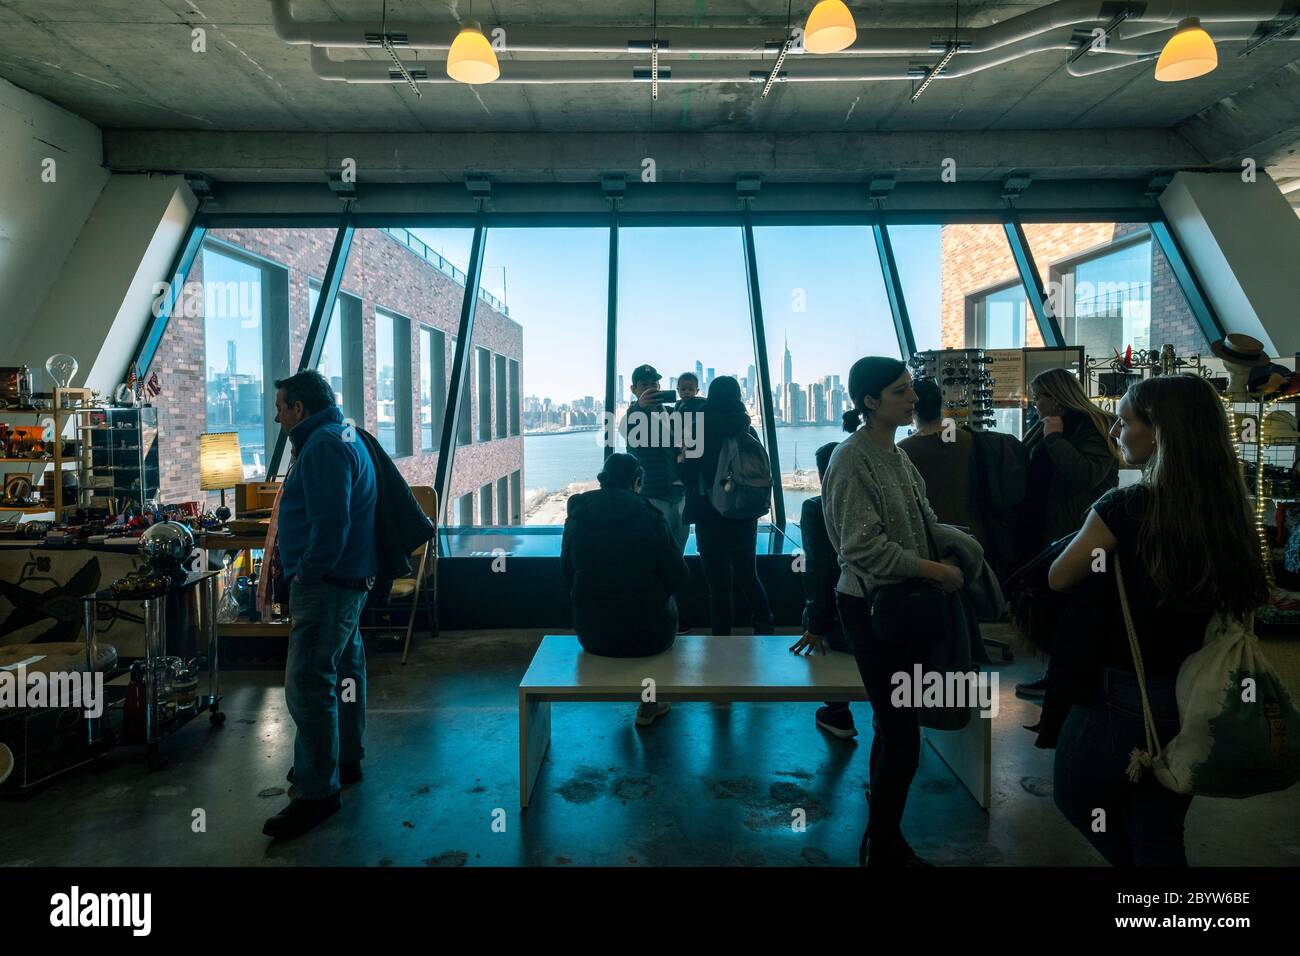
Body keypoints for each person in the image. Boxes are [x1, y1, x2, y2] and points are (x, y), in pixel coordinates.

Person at [1047, 374, 1268, 866]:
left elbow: (1059, 578)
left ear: (1160, 432)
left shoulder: (1127, 506)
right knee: (1159, 821)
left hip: (1127, 689)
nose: (1118, 434)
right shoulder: (1229, 506)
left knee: (1080, 797)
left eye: (1125, 423)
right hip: (1197, 688)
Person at [822, 356, 965, 867]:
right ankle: (884, 844)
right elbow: (860, 549)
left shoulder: (896, 456)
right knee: (903, 731)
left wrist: (956, 548)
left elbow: (924, 520)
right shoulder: (852, 458)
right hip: (874, 608)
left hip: (901, 607)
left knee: (895, 724)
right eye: (902, 392)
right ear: (869, 402)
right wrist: (933, 570)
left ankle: (881, 829)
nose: (913, 399)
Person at [263, 370, 377, 840]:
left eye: (280, 407)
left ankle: (316, 792)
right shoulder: (339, 435)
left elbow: (331, 523)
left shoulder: (324, 444)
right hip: (346, 578)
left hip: (328, 582)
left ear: (299, 409)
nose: (275, 416)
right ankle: (344, 760)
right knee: (345, 672)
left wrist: (307, 572)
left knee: (309, 683)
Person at [561, 453, 688, 726]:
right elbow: (679, 577)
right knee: (659, 604)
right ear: (637, 482)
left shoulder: (577, 516)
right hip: (649, 637)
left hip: (592, 633)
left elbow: (567, 574)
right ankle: (648, 703)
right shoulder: (652, 518)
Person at [1015, 367, 1120, 699]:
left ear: (1056, 400)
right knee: (1058, 606)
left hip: (1079, 533)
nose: (1034, 404)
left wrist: (1056, 439)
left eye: (1039, 398)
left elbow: (1087, 475)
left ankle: (1065, 680)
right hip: (1055, 529)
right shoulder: (1048, 426)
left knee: (1073, 608)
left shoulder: (1091, 427)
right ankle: (1059, 676)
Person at [680, 375, 773, 635]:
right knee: (748, 575)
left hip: (708, 513)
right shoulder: (746, 427)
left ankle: (722, 639)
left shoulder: (699, 428)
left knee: (718, 586)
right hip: (743, 510)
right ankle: (765, 627)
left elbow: (688, 475)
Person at [789, 441, 859, 739]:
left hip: (845, 626)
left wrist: (816, 623)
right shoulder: (874, 503)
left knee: (812, 622)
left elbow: (818, 569)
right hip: (889, 618)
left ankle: (838, 712)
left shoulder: (817, 507)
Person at [898, 378, 989, 549]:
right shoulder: (969, 439)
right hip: (975, 534)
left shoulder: (903, 451)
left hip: (933, 541)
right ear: (941, 404)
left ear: (912, 408)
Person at [623, 364, 687, 553]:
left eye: (655, 383)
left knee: (678, 555)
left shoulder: (671, 413)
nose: (651, 388)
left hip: (679, 493)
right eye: (644, 384)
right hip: (652, 495)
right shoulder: (631, 417)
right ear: (633, 390)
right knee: (655, 555)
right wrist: (639, 408)